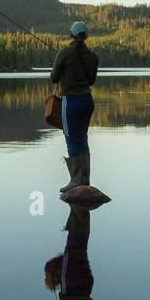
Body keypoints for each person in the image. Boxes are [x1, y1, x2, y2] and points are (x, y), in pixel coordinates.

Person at [50, 20, 98, 190]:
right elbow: (91, 81)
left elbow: (54, 78)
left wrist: (63, 67)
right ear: (85, 37)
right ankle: (85, 178)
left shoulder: (64, 53)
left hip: (71, 102)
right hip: (87, 101)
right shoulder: (92, 56)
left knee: (71, 138)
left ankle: (76, 180)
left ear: (71, 35)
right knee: (83, 138)